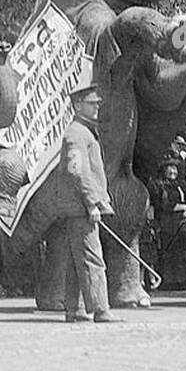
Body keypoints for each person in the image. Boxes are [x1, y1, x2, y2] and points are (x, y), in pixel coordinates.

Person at [57, 83, 121, 323]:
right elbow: (78, 172)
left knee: (77, 261)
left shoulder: (81, 132)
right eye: (92, 104)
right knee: (93, 258)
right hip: (81, 208)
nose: (97, 107)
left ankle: (75, 309)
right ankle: (101, 309)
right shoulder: (77, 134)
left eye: (97, 103)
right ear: (77, 105)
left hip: (76, 208)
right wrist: (92, 203)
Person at [148, 150, 186, 289]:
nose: (172, 170)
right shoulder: (160, 186)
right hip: (168, 223)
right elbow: (163, 205)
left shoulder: (181, 185)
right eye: (169, 168)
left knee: (185, 250)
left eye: (175, 168)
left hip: (183, 222)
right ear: (164, 170)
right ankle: (171, 282)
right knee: (172, 251)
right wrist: (183, 207)